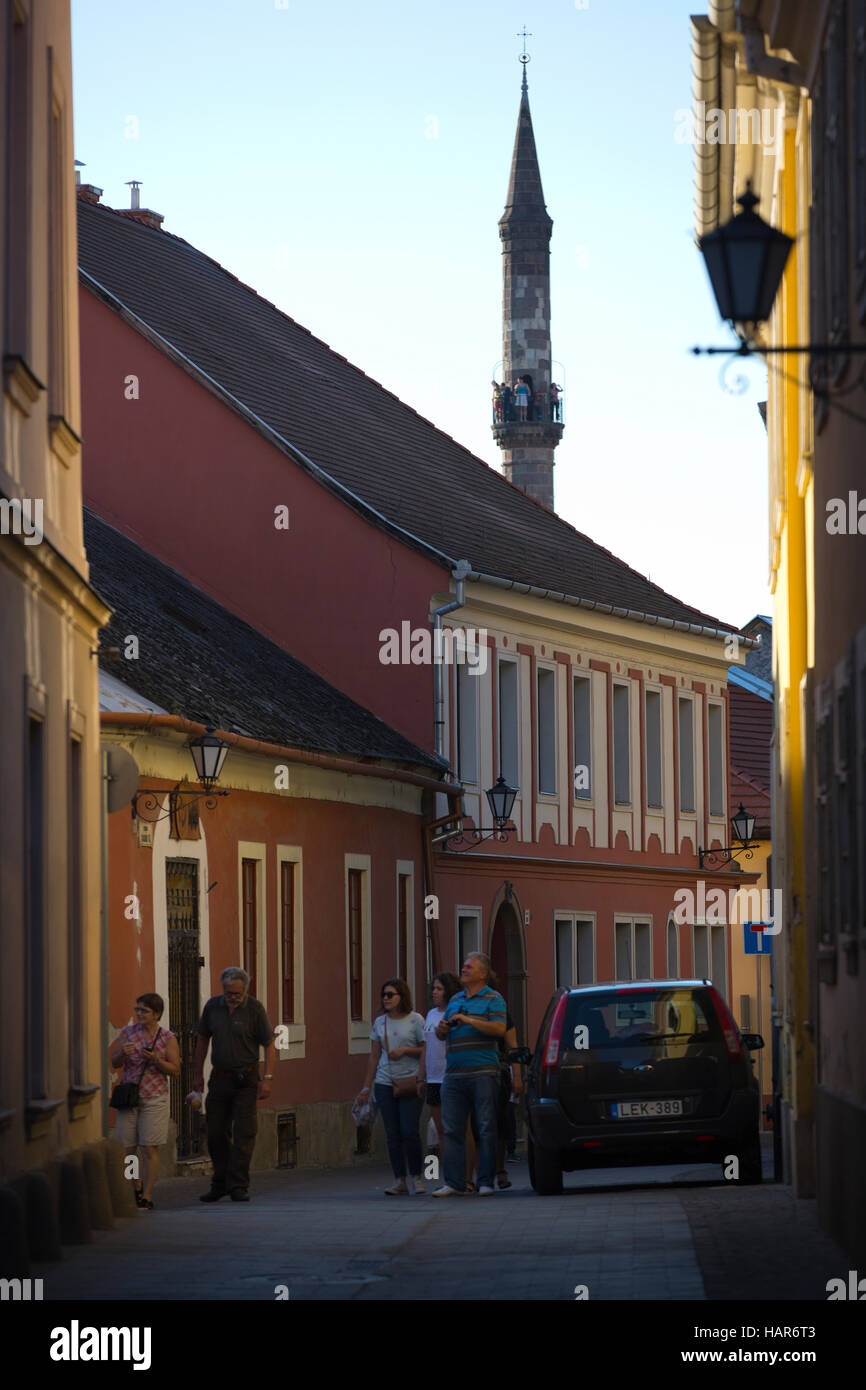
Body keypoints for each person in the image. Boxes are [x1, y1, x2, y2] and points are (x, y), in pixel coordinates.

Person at [194, 966, 275, 1203]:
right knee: (215, 1131)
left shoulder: (255, 1009)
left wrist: (268, 1079)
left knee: (244, 1132)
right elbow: (201, 1040)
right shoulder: (212, 1007)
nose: (232, 998)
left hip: (247, 1080)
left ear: (245, 990)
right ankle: (220, 1182)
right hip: (219, 1078)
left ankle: (238, 1185)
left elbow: (269, 1044)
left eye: (237, 993)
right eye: (228, 993)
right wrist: (197, 1075)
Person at [432, 953, 506, 1197]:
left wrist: (469, 1020)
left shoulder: (494, 999)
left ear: (482, 974)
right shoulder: (455, 999)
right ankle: (454, 1182)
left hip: (483, 1073)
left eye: (468, 967)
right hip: (453, 1075)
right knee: (451, 1129)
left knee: (485, 1128)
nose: (463, 969)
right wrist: (442, 1029)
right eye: (463, 965)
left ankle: (485, 1181)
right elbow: (441, 1034)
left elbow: (498, 1029)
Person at [109, 993, 180, 1211]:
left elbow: (175, 1069)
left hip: (155, 1097)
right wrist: (122, 1052)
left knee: (148, 1148)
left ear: (156, 1014)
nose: (139, 1014)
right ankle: (134, 1186)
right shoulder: (128, 1033)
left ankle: (147, 1195)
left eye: (144, 1010)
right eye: (137, 1009)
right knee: (127, 1149)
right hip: (130, 1098)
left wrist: (156, 1060)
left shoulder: (167, 1037)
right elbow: (114, 1062)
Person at [356, 979, 426, 1194]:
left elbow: (426, 1050)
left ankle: (417, 1177)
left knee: (409, 1130)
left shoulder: (416, 1020)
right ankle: (399, 1179)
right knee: (392, 1133)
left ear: (401, 997)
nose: (386, 998)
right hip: (385, 1082)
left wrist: (405, 1050)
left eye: (390, 994)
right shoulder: (380, 1022)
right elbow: (374, 1056)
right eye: (384, 994)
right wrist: (366, 1087)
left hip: (410, 1081)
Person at [418, 972, 460, 1155]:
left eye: (439, 989)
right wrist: (421, 1077)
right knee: (437, 1130)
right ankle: (440, 1175)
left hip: (450, 1077)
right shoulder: (430, 1014)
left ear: (448, 991)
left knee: (453, 1130)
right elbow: (425, 1048)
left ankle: (463, 1175)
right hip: (433, 1079)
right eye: (433, 988)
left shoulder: (455, 1013)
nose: (434, 992)